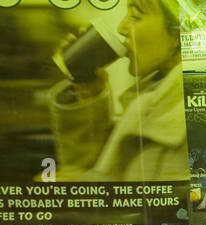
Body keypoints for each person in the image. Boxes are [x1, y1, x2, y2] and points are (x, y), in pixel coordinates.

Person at [50, 0, 189, 182]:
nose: (122, 28)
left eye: (135, 16)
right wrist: (87, 93)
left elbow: (163, 205)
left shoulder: (191, 119)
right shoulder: (153, 97)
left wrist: (83, 186)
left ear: (179, 33)